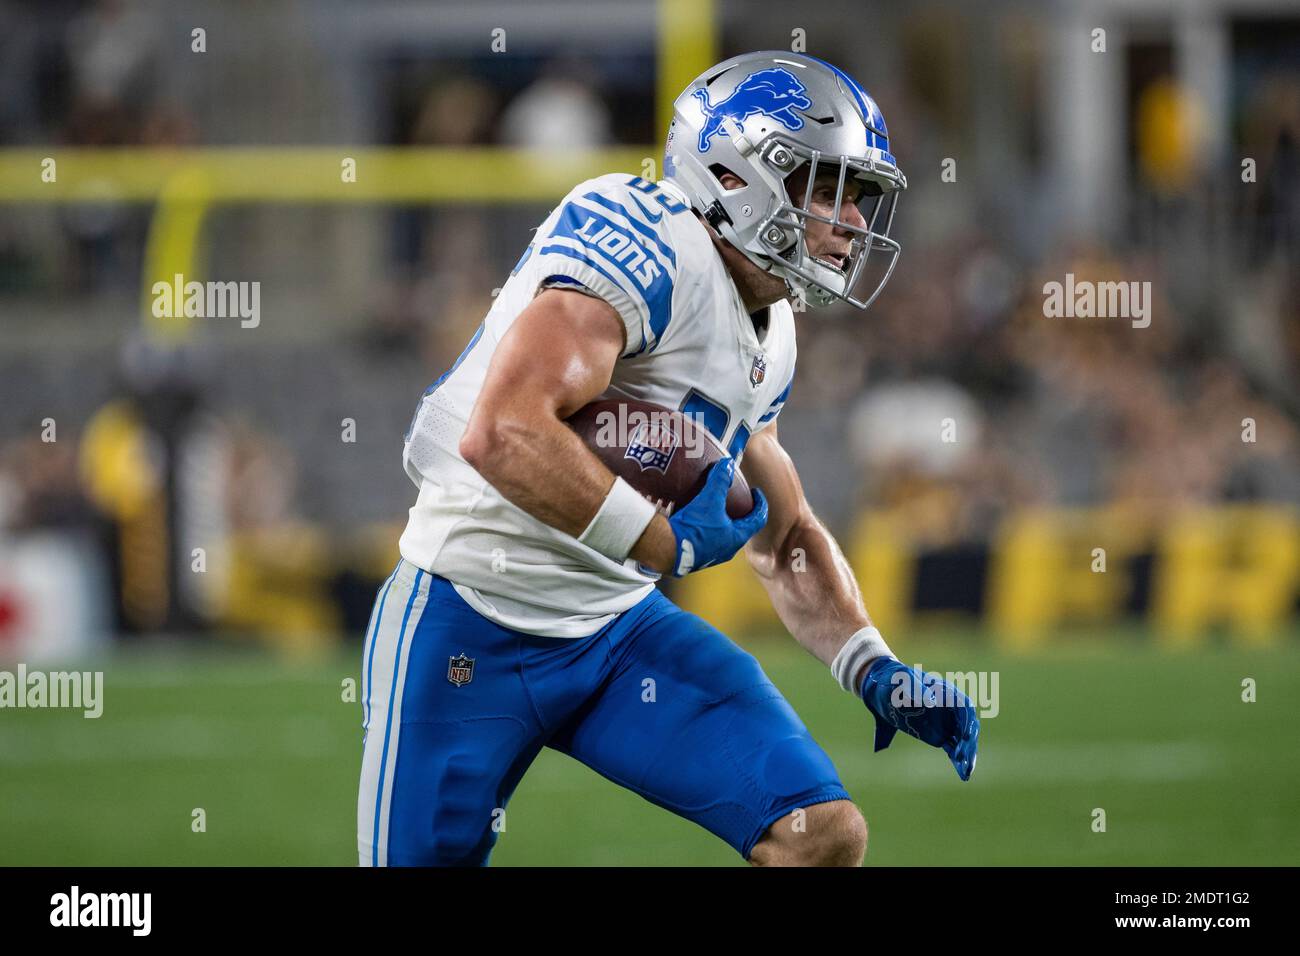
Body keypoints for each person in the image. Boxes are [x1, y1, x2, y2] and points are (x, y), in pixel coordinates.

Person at [358, 51, 979, 867]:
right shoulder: (642, 235)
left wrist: (873, 666)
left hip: (616, 633)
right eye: (829, 188)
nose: (855, 222)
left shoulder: (775, 330)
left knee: (819, 837)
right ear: (737, 174)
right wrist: (661, 544)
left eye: (860, 198)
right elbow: (502, 430)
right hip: (467, 619)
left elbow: (777, 527)